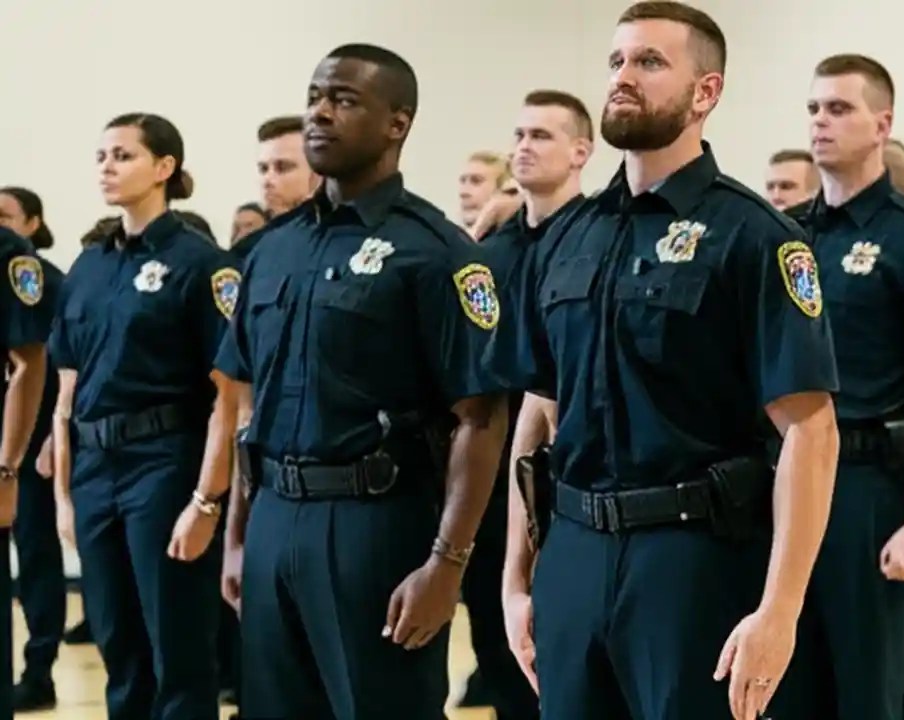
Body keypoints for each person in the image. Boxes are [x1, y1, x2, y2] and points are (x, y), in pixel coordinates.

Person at [491, 3, 840, 719]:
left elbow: (811, 429)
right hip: (575, 551)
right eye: (616, 61)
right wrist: (516, 578)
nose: (623, 77)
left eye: (650, 62)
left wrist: (780, 609)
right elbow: (537, 414)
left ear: (705, 93)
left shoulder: (754, 237)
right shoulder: (566, 238)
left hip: (693, 559)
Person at [214, 43, 509, 719]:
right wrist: (238, 539)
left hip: (373, 524)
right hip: (273, 520)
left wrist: (447, 563)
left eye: (343, 100)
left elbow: (481, 417)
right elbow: (249, 409)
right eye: (315, 96)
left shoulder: (435, 252)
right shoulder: (273, 249)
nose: (319, 111)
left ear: (397, 123)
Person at [790, 57, 904, 720]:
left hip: (870, 482)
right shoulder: (786, 234)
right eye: (814, 108)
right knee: (787, 675)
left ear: (882, 124)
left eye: (839, 109)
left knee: (869, 684)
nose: (821, 122)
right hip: (785, 475)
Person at [48, 112, 238, 720]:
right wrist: (63, 495)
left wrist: (207, 501)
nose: (107, 166)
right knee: (116, 640)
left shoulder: (201, 262)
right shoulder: (91, 265)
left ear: (164, 168)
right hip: (95, 466)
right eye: (101, 155)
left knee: (176, 646)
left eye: (123, 155)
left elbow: (228, 396)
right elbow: (66, 389)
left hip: (164, 461)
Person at [458, 88, 596, 720]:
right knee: (498, 634)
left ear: (580, 151)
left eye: (541, 135)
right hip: (493, 462)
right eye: (518, 134)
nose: (524, 146)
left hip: (574, 463)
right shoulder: (489, 250)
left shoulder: (600, 238)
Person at [0, 187, 66, 712]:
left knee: (37, 555)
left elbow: (42, 364)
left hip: (26, 444)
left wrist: (12, 464)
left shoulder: (26, 268)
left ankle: (38, 668)